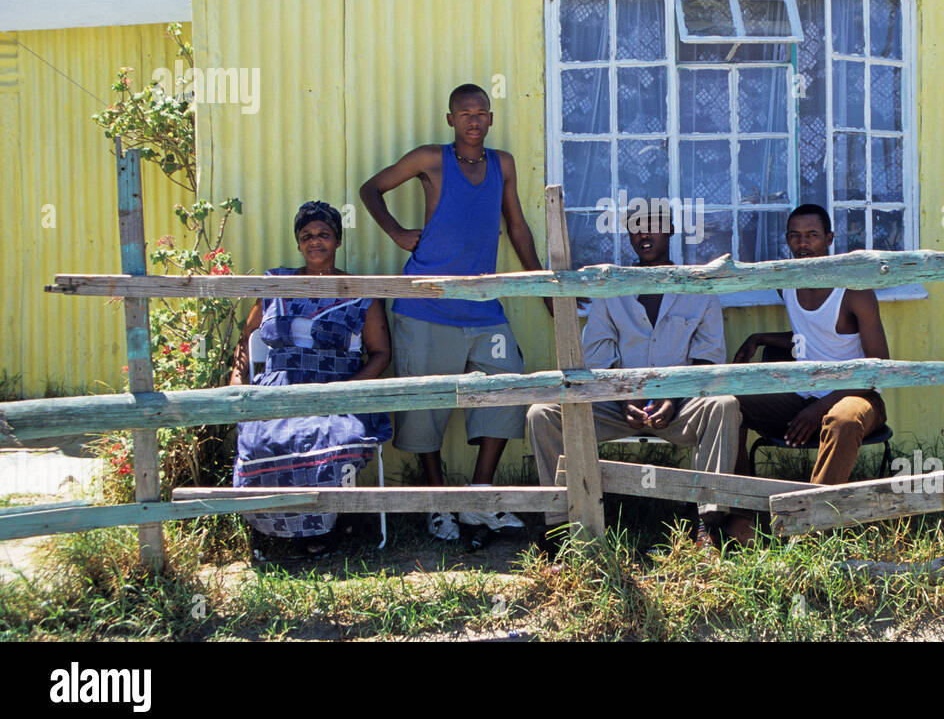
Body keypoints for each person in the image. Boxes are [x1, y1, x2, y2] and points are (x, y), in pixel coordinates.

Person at [359, 83, 549, 546]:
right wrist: (397, 233)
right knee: (428, 405)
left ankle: (478, 495)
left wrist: (543, 282)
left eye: (482, 112)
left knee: (507, 382)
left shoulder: (501, 164)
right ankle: (439, 502)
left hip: (482, 305)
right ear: (451, 119)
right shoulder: (430, 159)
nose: (473, 120)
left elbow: (517, 226)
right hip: (425, 304)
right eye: (465, 113)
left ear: (490, 118)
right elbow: (371, 189)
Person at [526, 209, 741, 546]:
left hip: (679, 405)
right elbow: (598, 355)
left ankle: (707, 523)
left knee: (723, 405)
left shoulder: (697, 287)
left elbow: (708, 358)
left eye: (654, 228)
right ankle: (561, 527)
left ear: (670, 231)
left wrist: (673, 399)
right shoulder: (613, 288)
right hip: (617, 404)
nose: (644, 236)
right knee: (543, 414)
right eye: (636, 229)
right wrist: (624, 398)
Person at [229, 200, 393, 557]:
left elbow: (381, 354)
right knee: (262, 438)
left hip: (336, 387)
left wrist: (345, 393)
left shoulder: (360, 291)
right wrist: (237, 380)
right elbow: (247, 337)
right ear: (298, 243)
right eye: (306, 236)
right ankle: (270, 527)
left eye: (324, 234)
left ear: (337, 241)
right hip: (279, 386)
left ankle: (327, 526)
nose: (315, 241)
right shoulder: (275, 284)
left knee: (333, 438)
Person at [730, 203, 890, 541]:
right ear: (787, 240)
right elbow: (810, 338)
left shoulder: (854, 290)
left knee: (843, 420)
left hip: (858, 394)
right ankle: (743, 511)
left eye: (813, 236)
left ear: (830, 238)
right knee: (730, 402)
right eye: (796, 236)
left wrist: (821, 407)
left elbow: (877, 368)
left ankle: (808, 531)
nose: (803, 244)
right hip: (805, 394)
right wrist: (758, 338)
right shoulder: (788, 282)